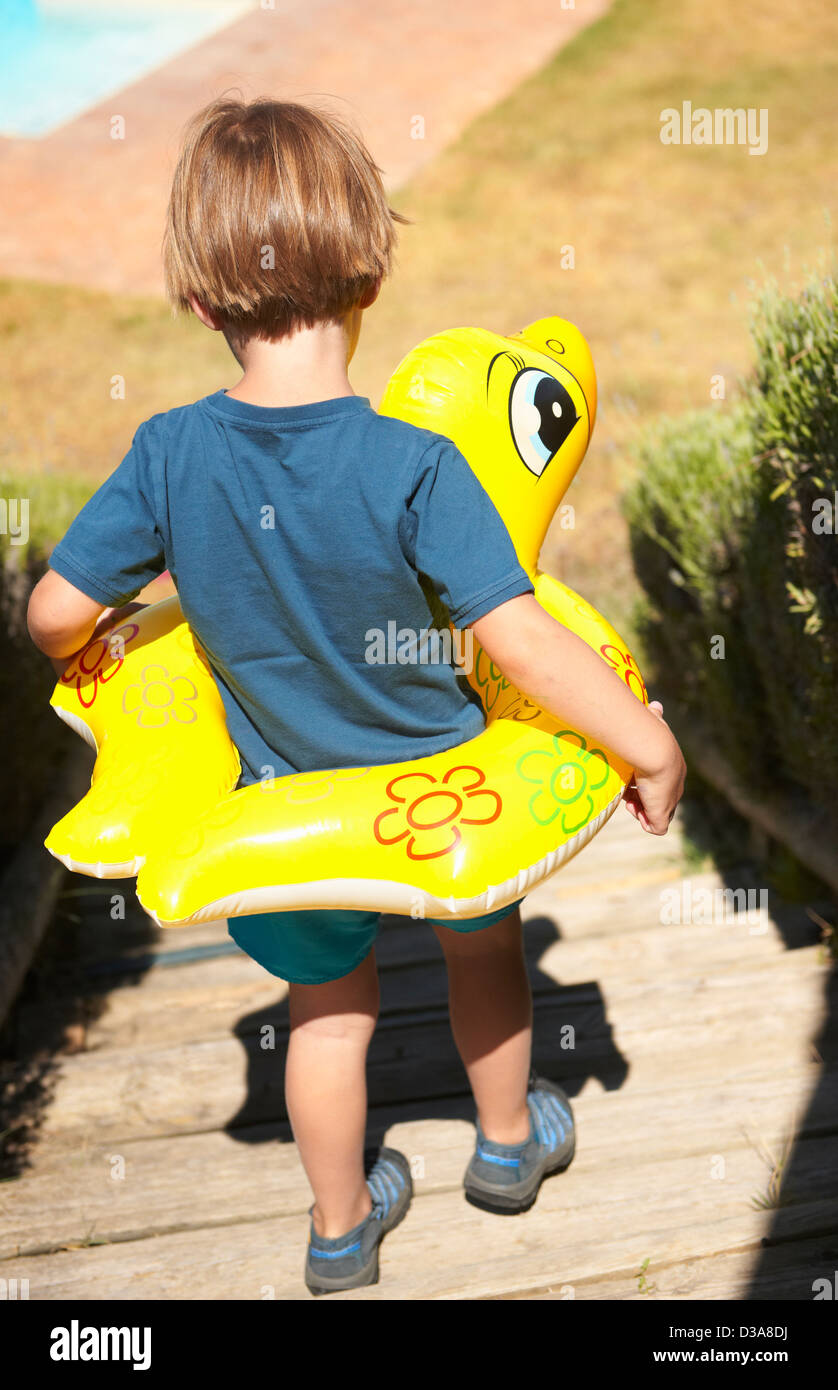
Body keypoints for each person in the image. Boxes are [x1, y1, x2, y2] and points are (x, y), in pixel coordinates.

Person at [27, 97, 686, 1296]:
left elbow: (53, 619)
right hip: (441, 792)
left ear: (198, 299)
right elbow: (520, 637)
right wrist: (646, 742)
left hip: (288, 807)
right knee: (482, 953)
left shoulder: (168, 456)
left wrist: (150, 597)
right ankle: (504, 1146)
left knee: (325, 1011)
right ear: (370, 269)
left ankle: (339, 1227)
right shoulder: (414, 463)